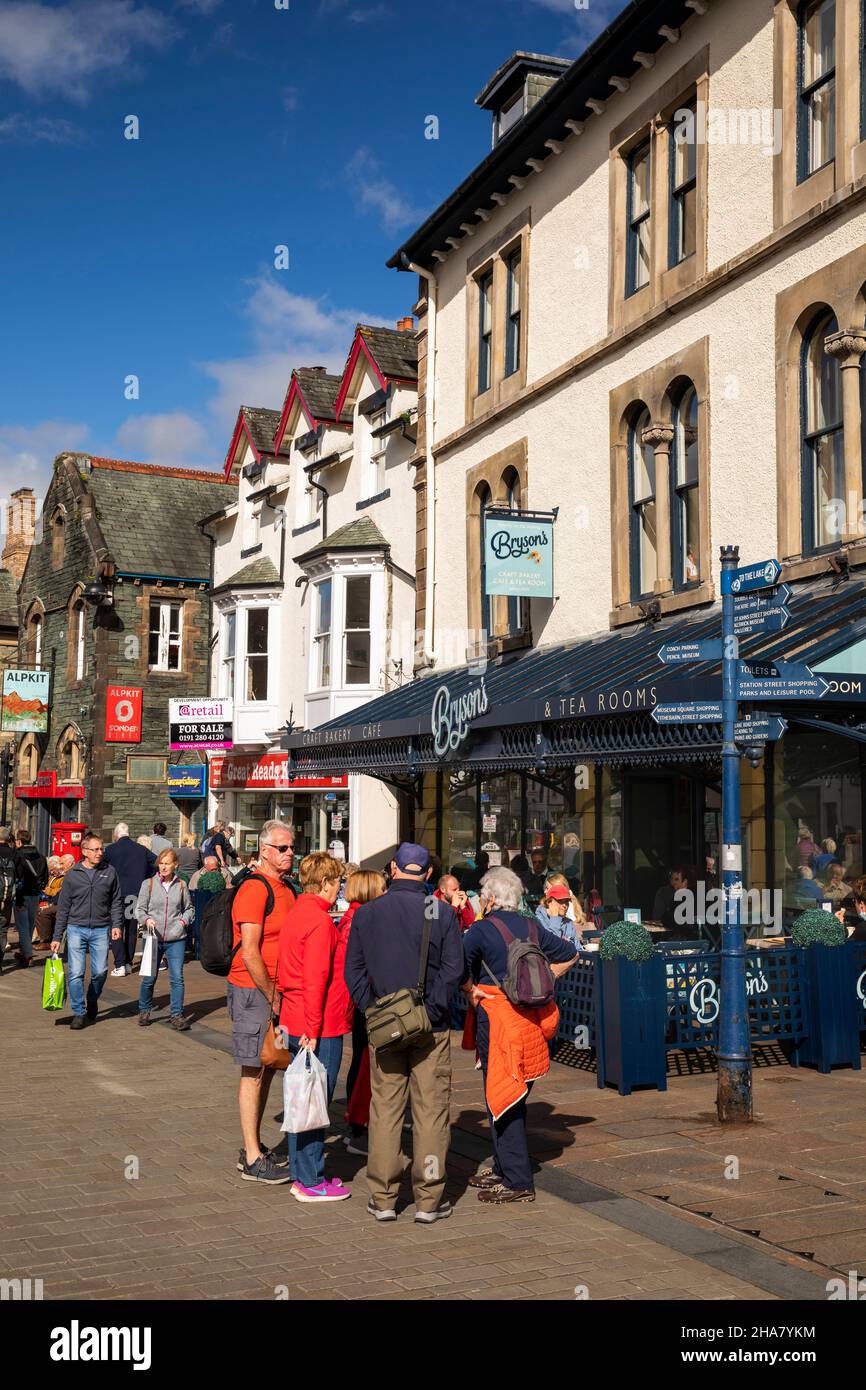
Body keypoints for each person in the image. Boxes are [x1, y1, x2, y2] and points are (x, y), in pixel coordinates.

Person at [344, 842, 464, 1225]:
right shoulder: (439, 911)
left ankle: (383, 1198)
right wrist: (431, 1011)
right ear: (428, 874)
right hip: (432, 1027)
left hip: (385, 1027)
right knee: (430, 1114)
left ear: (393, 868)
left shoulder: (369, 912)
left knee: (385, 1110)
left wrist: (372, 1009)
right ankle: (428, 1201)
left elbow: (354, 972)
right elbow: (453, 971)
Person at [462, 866, 578, 1205]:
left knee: (502, 1097)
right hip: (531, 1024)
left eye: (483, 895)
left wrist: (471, 990)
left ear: (493, 899)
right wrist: (547, 980)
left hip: (498, 1026)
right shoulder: (532, 925)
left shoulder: (481, 930)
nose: (481, 900)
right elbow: (569, 952)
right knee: (516, 1095)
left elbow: (456, 966)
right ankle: (503, 1167)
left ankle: (518, 1180)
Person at [277, 852, 353, 1204]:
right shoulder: (320, 922)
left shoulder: (297, 913)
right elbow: (315, 979)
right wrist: (311, 1027)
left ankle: (301, 1172)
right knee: (312, 1100)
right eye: (337, 881)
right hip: (318, 1024)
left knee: (300, 1098)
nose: (339, 887)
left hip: (296, 1017)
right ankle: (309, 1179)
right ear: (324, 883)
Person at [228, 820, 296, 1184]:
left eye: (291, 847)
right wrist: (272, 995)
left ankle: (254, 1146)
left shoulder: (285, 887)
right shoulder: (254, 889)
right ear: (265, 851)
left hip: (278, 993)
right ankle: (252, 1156)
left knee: (270, 1062)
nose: (289, 853)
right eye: (282, 848)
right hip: (254, 990)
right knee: (253, 1069)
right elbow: (250, 951)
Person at [51, 833, 123, 1029]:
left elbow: (116, 901)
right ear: (84, 852)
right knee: (76, 973)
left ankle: (92, 998)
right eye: (95, 849)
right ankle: (79, 1012)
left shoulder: (110, 872)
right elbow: (63, 907)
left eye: (101, 849)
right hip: (76, 929)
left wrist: (116, 925)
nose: (100, 852)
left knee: (100, 972)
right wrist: (57, 936)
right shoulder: (73, 874)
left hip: (101, 929)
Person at [340, 869, 387, 1157]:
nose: (385, 893)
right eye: (381, 889)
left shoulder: (358, 917)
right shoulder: (360, 919)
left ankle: (361, 1121)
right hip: (364, 1000)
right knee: (363, 1062)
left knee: (362, 1060)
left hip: (361, 1000)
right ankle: (358, 1126)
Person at [136, 850, 194, 1030]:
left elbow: (189, 909)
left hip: (176, 938)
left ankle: (176, 1015)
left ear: (175, 865)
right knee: (149, 978)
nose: (163, 867)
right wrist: (146, 920)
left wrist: (183, 922)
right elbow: (140, 910)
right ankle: (144, 1010)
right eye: (161, 863)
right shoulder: (149, 884)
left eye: (167, 863)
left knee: (177, 978)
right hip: (153, 937)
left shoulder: (182, 885)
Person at [103, 822, 157, 976]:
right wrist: (146, 876)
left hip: (116, 896)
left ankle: (119, 964)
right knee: (131, 931)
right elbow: (157, 863)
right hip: (134, 894)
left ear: (116, 835)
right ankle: (127, 963)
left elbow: (100, 866)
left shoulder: (110, 849)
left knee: (116, 928)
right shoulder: (141, 849)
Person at [13, 829, 48, 965]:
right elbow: (45, 877)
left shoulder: (17, 855)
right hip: (35, 894)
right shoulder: (40, 856)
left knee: (22, 926)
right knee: (30, 925)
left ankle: (27, 956)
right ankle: (24, 953)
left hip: (21, 894)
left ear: (19, 841)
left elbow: (14, 873)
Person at [32, 855, 67, 951]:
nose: (51, 871)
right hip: (51, 900)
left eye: (53, 869)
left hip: (58, 902)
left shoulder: (64, 877)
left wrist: (48, 891)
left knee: (43, 911)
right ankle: (41, 937)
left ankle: (46, 940)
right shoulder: (52, 876)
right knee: (37, 909)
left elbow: (59, 891)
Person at [535, 883, 583, 949]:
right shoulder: (538, 922)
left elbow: (578, 948)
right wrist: (555, 918)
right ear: (549, 902)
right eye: (560, 901)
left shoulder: (568, 923)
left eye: (566, 901)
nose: (565, 905)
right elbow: (553, 947)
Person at [0, 827, 22, 970]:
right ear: (9, 838)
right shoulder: (15, 853)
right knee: (2, 930)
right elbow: (21, 875)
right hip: (6, 898)